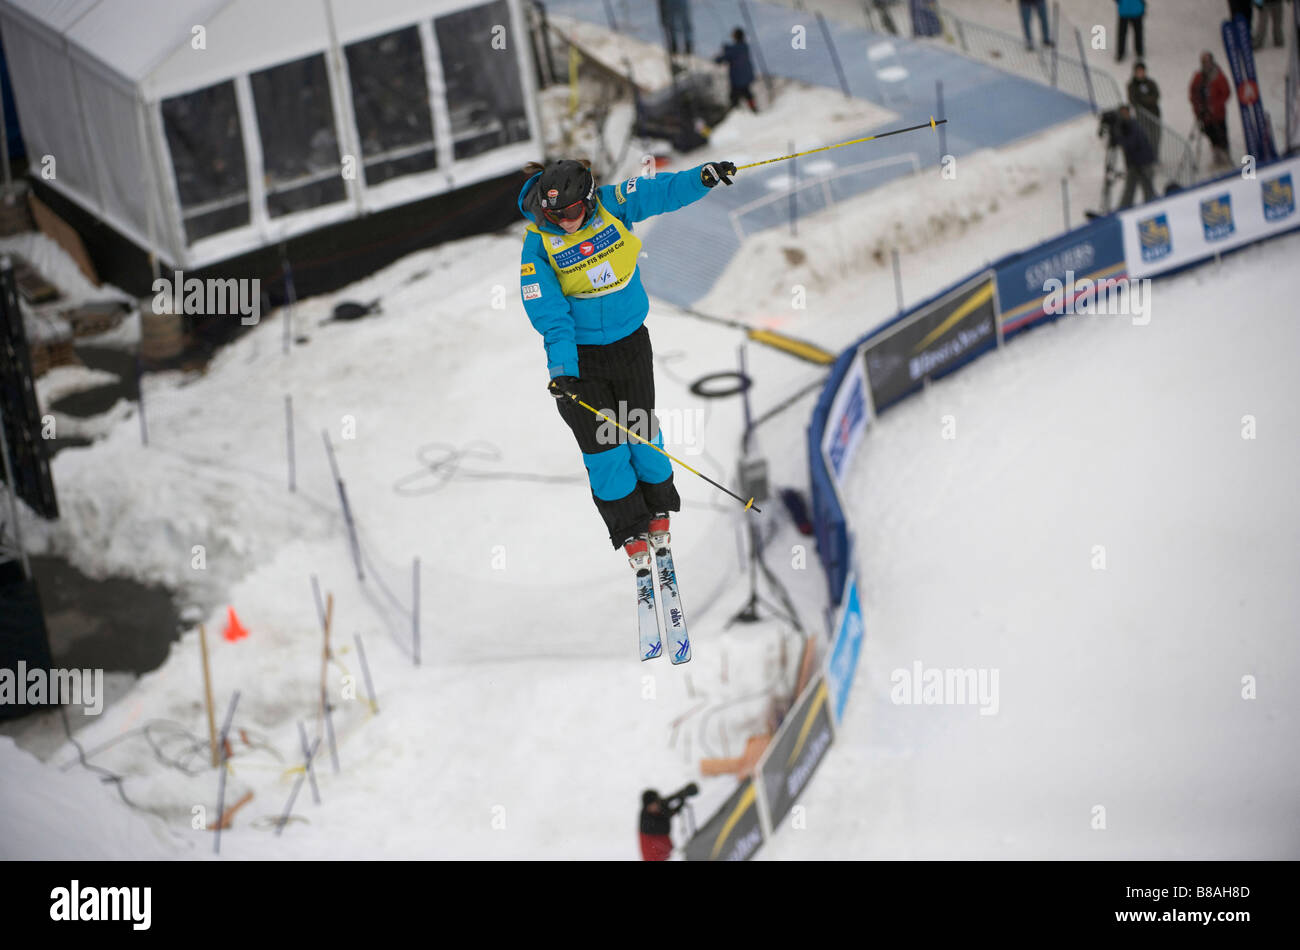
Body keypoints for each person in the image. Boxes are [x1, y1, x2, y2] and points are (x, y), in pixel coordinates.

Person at [517, 158, 737, 568]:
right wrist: (562, 371)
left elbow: (660, 192)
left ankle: (656, 507)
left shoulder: (611, 204)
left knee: (639, 429)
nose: (565, 221)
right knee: (604, 446)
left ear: (588, 199)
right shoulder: (539, 244)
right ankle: (627, 523)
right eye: (555, 215)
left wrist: (702, 177)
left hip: (630, 344)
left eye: (572, 212)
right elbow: (550, 313)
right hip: (582, 359)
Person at [1189, 51, 1232, 168]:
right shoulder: (1198, 77)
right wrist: (1197, 108)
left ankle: (1225, 155)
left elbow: (1226, 93)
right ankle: (1217, 155)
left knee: (1221, 133)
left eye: (1208, 62)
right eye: (1204, 62)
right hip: (1204, 114)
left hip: (1217, 114)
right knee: (1209, 133)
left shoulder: (1219, 76)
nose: (1206, 64)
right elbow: (1192, 93)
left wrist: (1214, 106)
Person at [639, 785, 697, 860]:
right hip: (656, 857)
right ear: (647, 806)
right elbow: (665, 827)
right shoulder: (646, 821)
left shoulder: (654, 809)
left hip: (666, 853)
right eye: (654, 804)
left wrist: (682, 793)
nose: (657, 805)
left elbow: (665, 803)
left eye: (657, 802)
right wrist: (674, 810)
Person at [1115, 105, 1157, 208]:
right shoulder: (1122, 127)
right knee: (1130, 187)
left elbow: (1136, 142)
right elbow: (1126, 143)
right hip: (1133, 163)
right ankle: (1124, 207)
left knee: (1147, 185)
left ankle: (1151, 204)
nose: (1125, 115)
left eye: (1126, 112)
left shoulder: (1134, 124)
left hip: (1143, 160)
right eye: (1123, 113)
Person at [715, 28, 758, 113]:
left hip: (737, 79)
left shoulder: (733, 49)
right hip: (746, 77)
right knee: (747, 94)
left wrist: (725, 50)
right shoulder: (745, 47)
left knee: (734, 98)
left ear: (735, 37)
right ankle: (753, 110)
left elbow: (722, 59)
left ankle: (736, 114)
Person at [1127, 61, 1162, 157]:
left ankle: (1155, 157)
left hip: (1154, 115)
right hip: (1142, 117)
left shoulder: (1151, 83)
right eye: (1138, 71)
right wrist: (1146, 100)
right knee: (1145, 138)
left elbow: (1155, 96)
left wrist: (1143, 100)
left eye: (1141, 71)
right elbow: (1133, 100)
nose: (1140, 73)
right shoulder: (1132, 85)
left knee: (1155, 137)